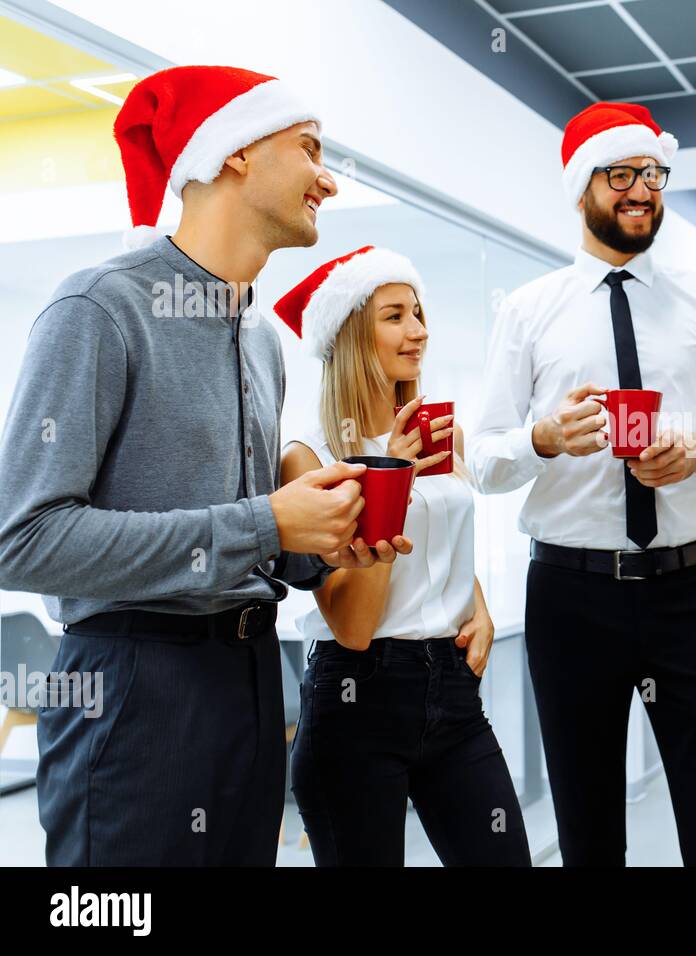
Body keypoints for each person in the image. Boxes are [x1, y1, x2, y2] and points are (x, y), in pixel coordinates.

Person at [0, 66, 410, 866]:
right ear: (234, 155)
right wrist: (267, 520)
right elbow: (23, 540)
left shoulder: (261, 340)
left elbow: (250, 533)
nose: (328, 177)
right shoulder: (97, 309)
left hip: (250, 682)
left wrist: (324, 536)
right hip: (134, 691)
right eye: (309, 148)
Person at [467, 101, 696, 866]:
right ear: (582, 189)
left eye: (653, 174)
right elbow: (482, 459)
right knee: (588, 821)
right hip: (573, 599)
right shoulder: (530, 312)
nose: (642, 189)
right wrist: (540, 440)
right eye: (622, 174)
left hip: (688, 588)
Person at [274, 245, 531, 866]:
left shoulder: (444, 436)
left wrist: (478, 603)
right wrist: (393, 477)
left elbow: (443, 541)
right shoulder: (309, 458)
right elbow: (353, 626)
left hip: (451, 694)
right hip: (357, 697)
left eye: (418, 313)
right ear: (351, 335)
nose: (418, 331)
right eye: (394, 316)